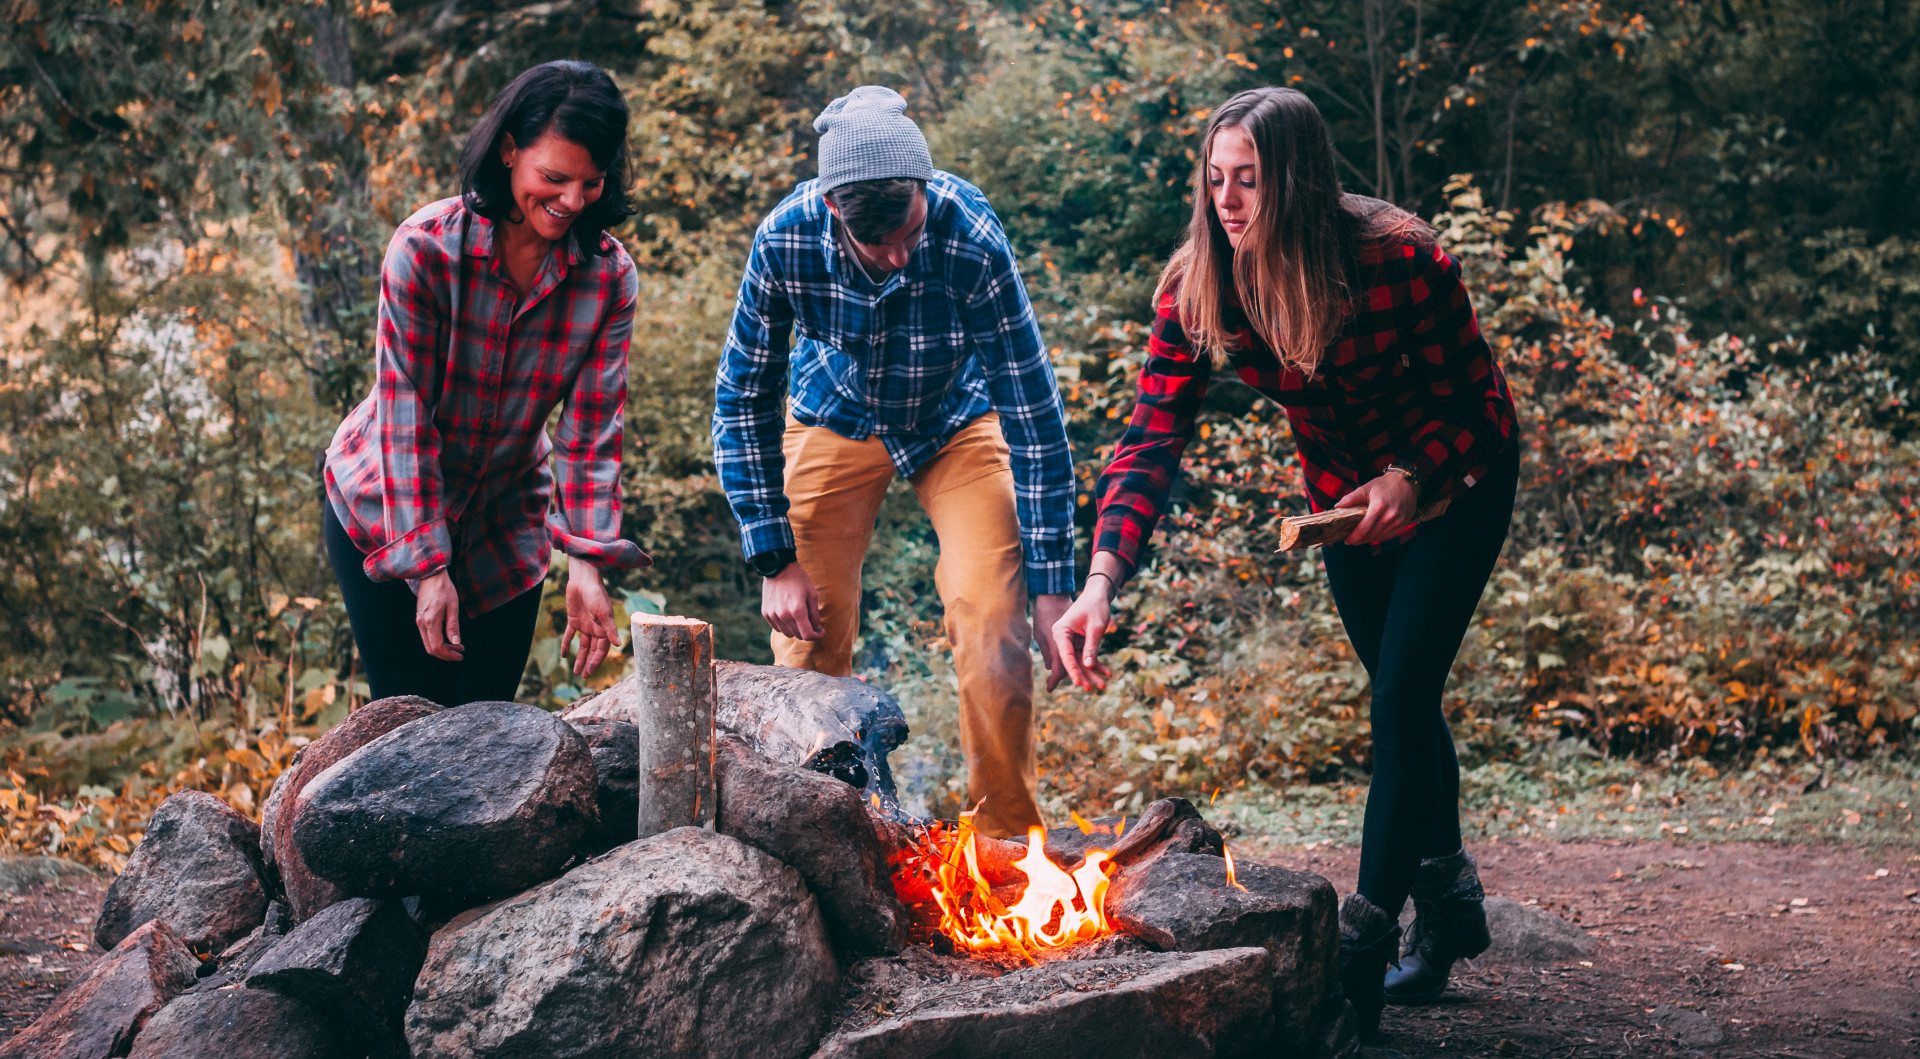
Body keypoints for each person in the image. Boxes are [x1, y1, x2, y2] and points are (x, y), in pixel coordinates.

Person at [1047, 86, 1520, 1039]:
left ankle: (1363, 949)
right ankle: (1453, 902)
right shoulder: (1198, 285)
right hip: (1341, 507)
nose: (1229, 201)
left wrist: (1411, 476)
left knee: (1397, 701)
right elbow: (1149, 439)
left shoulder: (1403, 258)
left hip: (1457, 484)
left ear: (1295, 181)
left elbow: (1479, 406)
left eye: (1250, 181)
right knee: (1405, 693)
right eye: (1216, 180)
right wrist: (1099, 581)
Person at [713, 85, 1076, 840]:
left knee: (992, 609)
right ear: (837, 212)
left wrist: (1052, 586)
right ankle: (827, 835)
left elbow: (1034, 413)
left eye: (909, 228)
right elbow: (743, 394)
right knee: (808, 634)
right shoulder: (786, 239)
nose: (900, 254)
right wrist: (771, 553)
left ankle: (1006, 841)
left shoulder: (970, 233)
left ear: (922, 188)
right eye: (880, 244)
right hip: (834, 413)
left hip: (954, 418)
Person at [323, 60, 650, 707]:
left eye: (591, 182)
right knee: (410, 720)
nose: (572, 201)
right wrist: (427, 566)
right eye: (554, 178)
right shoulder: (424, 248)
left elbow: (589, 434)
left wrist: (586, 561)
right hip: (387, 507)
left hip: (506, 524)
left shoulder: (608, 277)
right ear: (508, 151)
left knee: (484, 728)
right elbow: (404, 411)